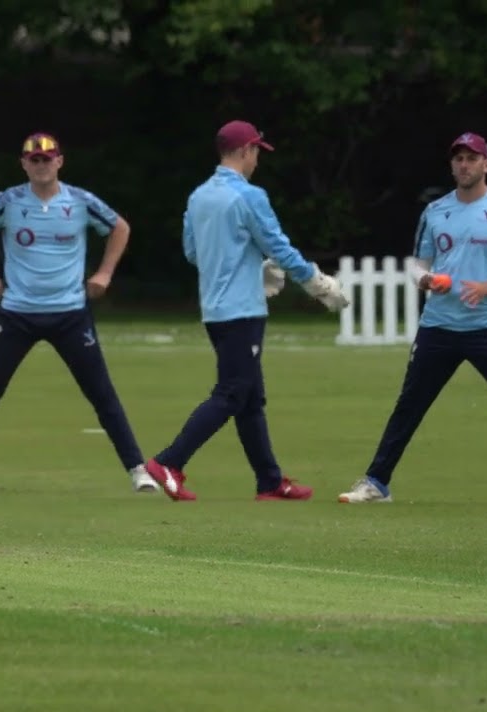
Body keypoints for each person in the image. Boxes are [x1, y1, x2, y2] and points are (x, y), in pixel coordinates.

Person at [338, 132, 487, 504]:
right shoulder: (435, 212)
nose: (464, 165)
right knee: (409, 405)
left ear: (486, 164)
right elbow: (417, 264)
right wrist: (426, 280)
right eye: (458, 159)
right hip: (439, 326)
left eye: (471, 158)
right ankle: (376, 483)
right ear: (452, 165)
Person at [0, 132, 157, 495]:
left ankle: (138, 469)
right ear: (24, 164)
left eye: (47, 158)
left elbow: (119, 227)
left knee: (101, 393)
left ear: (59, 161)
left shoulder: (79, 201)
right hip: (18, 312)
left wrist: (105, 273)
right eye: (34, 159)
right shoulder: (10, 201)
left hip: (70, 312)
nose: (41, 165)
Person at [142, 120, 350, 502]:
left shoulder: (198, 196)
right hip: (242, 310)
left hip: (215, 309)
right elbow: (279, 246)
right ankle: (169, 462)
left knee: (250, 399)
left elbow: (194, 252)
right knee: (233, 394)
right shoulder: (249, 196)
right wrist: (318, 284)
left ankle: (269, 481)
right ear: (244, 151)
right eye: (256, 152)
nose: (257, 160)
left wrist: (251, 266)